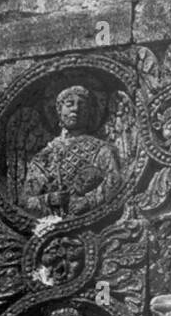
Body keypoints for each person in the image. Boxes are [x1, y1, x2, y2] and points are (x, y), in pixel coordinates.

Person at [21, 84, 122, 218]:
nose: (76, 109)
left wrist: (87, 201)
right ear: (59, 110)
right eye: (70, 104)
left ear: (89, 112)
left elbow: (114, 181)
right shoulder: (45, 156)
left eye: (82, 105)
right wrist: (50, 199)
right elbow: (26, 201)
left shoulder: (101, 149)